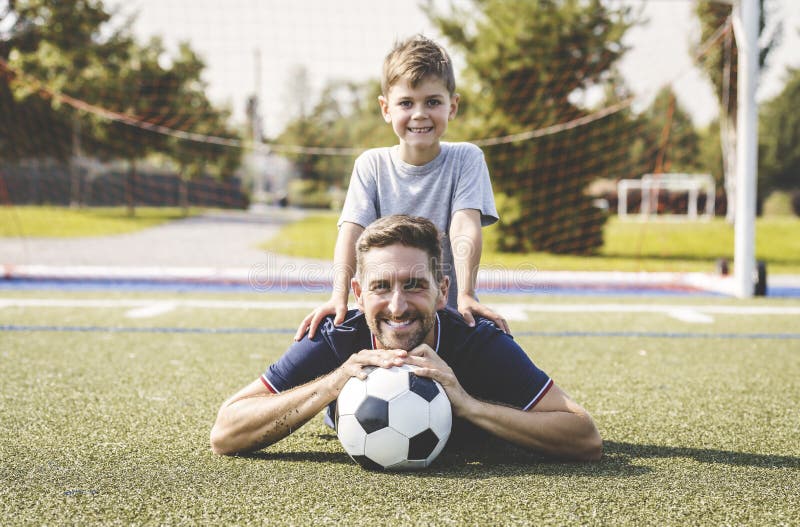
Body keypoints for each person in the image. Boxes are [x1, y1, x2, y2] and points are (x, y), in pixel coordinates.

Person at [212, 215, 602, 461]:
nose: (397, 307)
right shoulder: (336, 338)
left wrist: (469, 406)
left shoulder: (478, 342)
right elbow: (225, 433)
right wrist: (333, 383)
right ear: (358, 294)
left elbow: (584, 437)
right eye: (381, 287)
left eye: (414, 285)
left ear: (442, 291)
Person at [294, 35, 509, 343]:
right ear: (386, 108)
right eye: (406, 103)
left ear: (452, 106)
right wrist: (337, 297)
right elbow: (352, 232)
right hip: (384, 321)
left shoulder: (466, 158)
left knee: (499, 348)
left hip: (441, 319)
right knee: (315, 345)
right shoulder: (371, 164)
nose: (419, 113)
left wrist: (466, 294)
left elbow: (464, 226)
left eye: (432, 102)